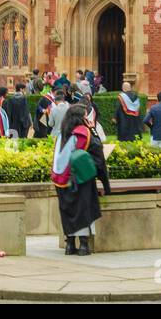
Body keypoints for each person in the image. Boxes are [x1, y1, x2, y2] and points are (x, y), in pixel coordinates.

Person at [52, 104, 112, 256]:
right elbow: (99, 157)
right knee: (83, 210)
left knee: (68, 211)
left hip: (62, 181)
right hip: (82, 180)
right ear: (81, 118)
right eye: (85, 116)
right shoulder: (85, 134)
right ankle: (84, 245)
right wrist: (106, 184)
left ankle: (70, 245)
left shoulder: (61, 135)